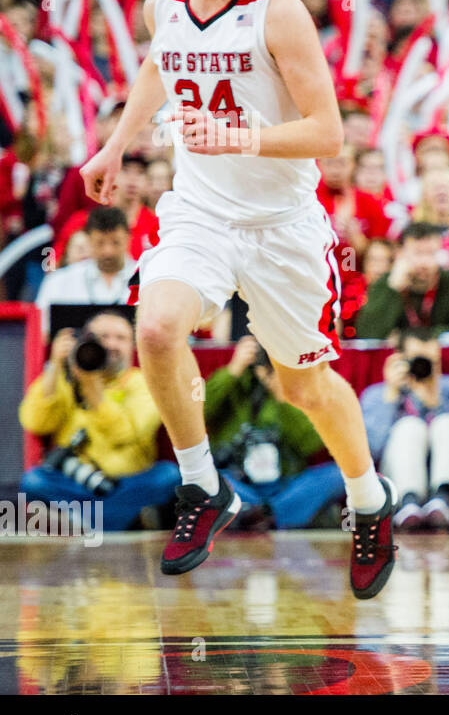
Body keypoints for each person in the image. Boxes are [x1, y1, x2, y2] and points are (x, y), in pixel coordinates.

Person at [79, 0, 399, 599]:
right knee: (157, 328)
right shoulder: (164, 5)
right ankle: (202, 483)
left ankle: (371, 500)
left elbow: (331, 134)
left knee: (304, 387)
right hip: (200, 212)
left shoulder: (277, 14)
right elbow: (161, 66)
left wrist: (238, 134)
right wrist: (116, 144)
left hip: (284, 227)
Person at [19, 310, 176, 531]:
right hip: (77, 484)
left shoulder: (143, 383)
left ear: (133, 345)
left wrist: (92, 388)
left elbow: (124, 434)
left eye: (120, 338)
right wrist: (54, 365)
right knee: (34, 481)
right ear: (85, 341)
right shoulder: (65, 379)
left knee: (168, 476)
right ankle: (119, 521)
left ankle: (85, 522)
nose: (111, 344)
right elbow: (35, 422)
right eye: (103, 337)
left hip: (129, 483)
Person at [204, 336, 345, 530]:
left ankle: (256, 515)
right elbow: (200, 412)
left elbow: (311, 444)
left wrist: (284, 396)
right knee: (202, 475)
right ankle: (272, 515)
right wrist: (233, 370)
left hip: (286, 483)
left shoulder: (302, 389)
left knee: (337, 475)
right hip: (238, 480)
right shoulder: (234, 383)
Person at [360, 329, 449, 531]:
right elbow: (371, 450)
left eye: (433, 362)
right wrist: (390, 398)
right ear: (399, 359)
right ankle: (408, 503)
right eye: (418, 360)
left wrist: (438, 404)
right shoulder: (377, 394)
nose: (426, 368)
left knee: (448, 422)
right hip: (395, 485)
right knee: (410, 426)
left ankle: (442, 499)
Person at [353, 221, 449, 340]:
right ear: (401, 254)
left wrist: (411, 338)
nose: (424, 263)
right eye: (417, 253)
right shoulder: (386, 283)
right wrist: (393, 289)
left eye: (431, 253)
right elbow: (368, 333)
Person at [35, 206, 137, 337]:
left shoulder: (146, 278)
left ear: (129, 238)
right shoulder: (59, 281)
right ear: (89, 239)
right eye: (100, 243)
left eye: (115, 242)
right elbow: (39, 331)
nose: (108, 251)